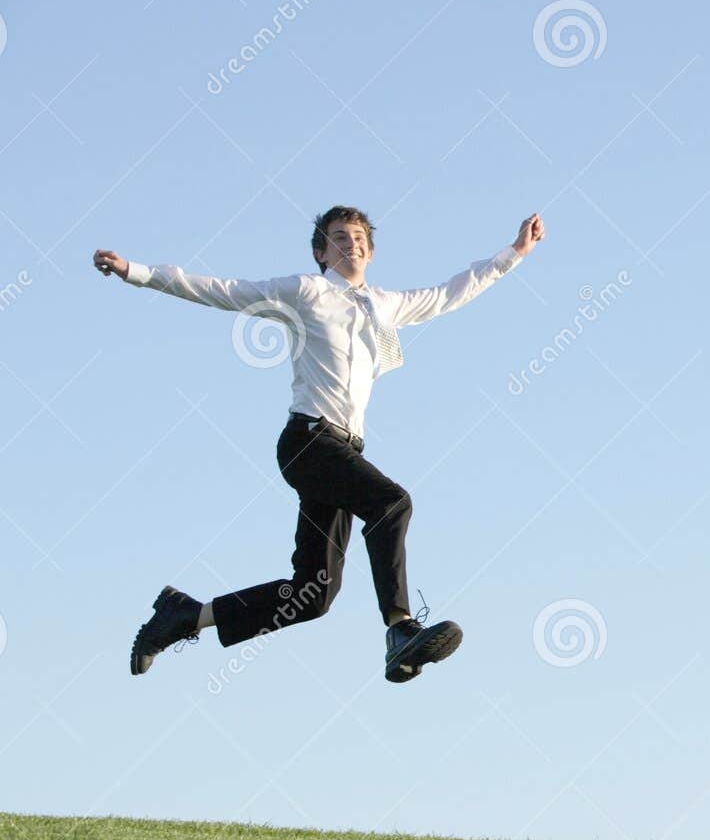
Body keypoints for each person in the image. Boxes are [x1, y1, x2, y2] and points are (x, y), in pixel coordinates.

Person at [92, 205, 545, 683]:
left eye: (359, 236)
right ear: (320, 251)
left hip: (344, 453)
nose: (351, 243)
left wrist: (514, 253)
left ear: (370, 249)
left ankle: (186, 615)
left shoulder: (385, 306)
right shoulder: (306, 291)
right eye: (338, 237)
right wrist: (135, 273)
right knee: (392, 504)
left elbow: (451, 292)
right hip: (309, 441)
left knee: (313, 595)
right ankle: (400, 628)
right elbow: (222, 291)